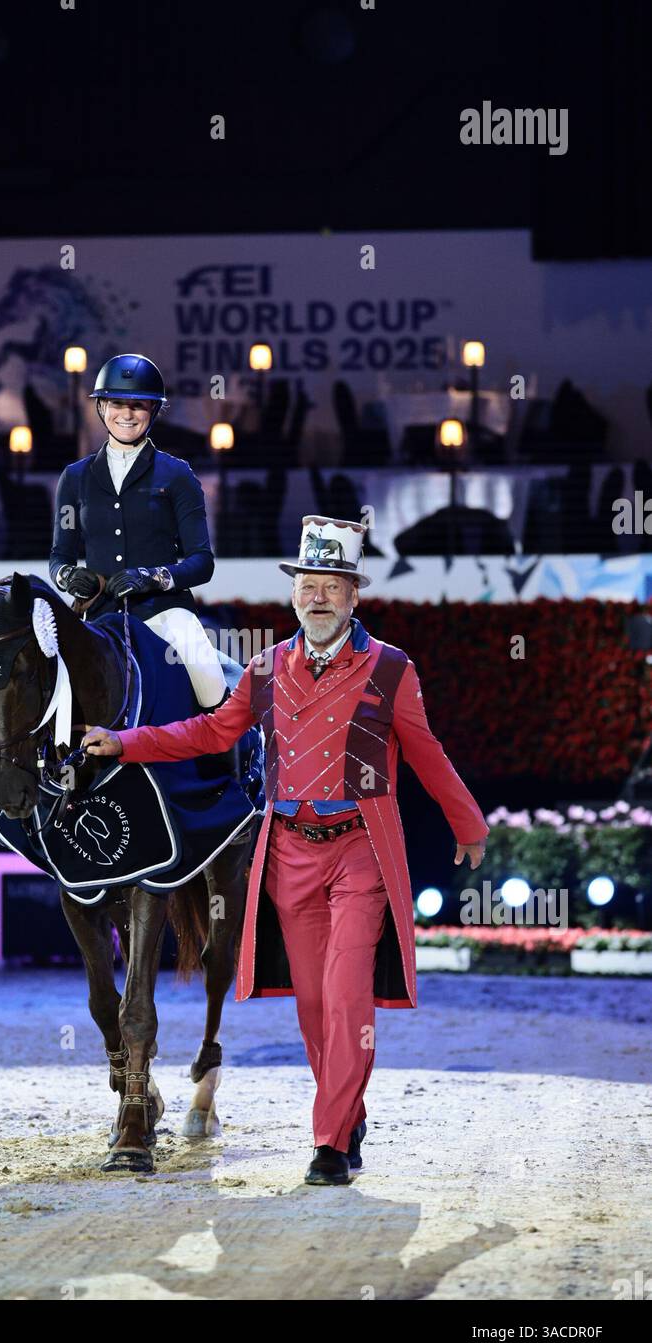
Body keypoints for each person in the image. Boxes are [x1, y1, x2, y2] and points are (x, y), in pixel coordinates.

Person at [81, 514, 489, 1186]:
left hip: (360, 852)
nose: (319, 596)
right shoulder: (267, 670)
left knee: (347, 994)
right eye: (309, 585)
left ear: (355, 595)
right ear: (294, 595)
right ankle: (347, 1109)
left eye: (333, 584)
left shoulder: (391, 669)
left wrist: (467, 824)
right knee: (313, 1009)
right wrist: (128, 743)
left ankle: (329, 1143)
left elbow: (427, 754)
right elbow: (210, 733)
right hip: (290, 857)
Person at [49, 353, 227, 709]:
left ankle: (229, 760)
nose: (127, 415)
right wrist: (70, 577)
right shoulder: (75, 478)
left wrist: (153, 577)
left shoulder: (177, 475)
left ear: (154, 410)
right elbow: (59, 557)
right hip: (97, 617)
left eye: (138, 405)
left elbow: (201, 562)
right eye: (117, 403)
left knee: (208, 681)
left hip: (165, 613)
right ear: (102, 406)